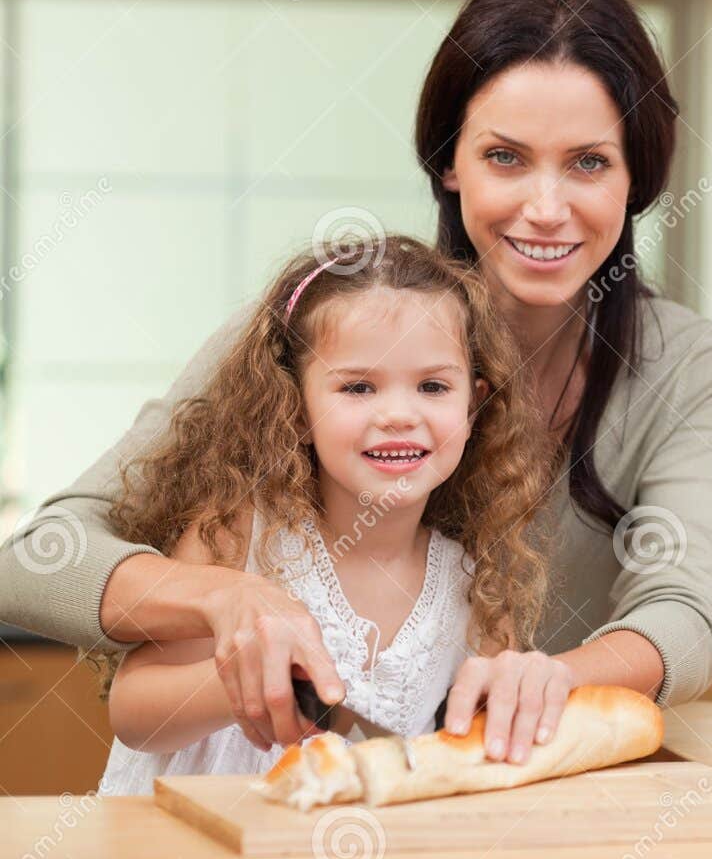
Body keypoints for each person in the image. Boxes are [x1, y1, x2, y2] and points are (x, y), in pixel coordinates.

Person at [1, 0, 712, 767]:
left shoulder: (684, 366)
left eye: (589, 163)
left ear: (638, 178)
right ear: (449, 162)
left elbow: (684, 612)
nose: (545, 207)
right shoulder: (311, 326)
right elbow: (36, 562)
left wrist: (550, 677)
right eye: (504, 156)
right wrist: (228, 597)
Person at [98, 238, 551, 793]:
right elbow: (133, 715)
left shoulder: (474, 585)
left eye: (433, 386)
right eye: (358, 387)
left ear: (473, 404)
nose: (398, 415)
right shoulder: (240, 534)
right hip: (192, 839)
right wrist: (245, 686)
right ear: (295, 404)